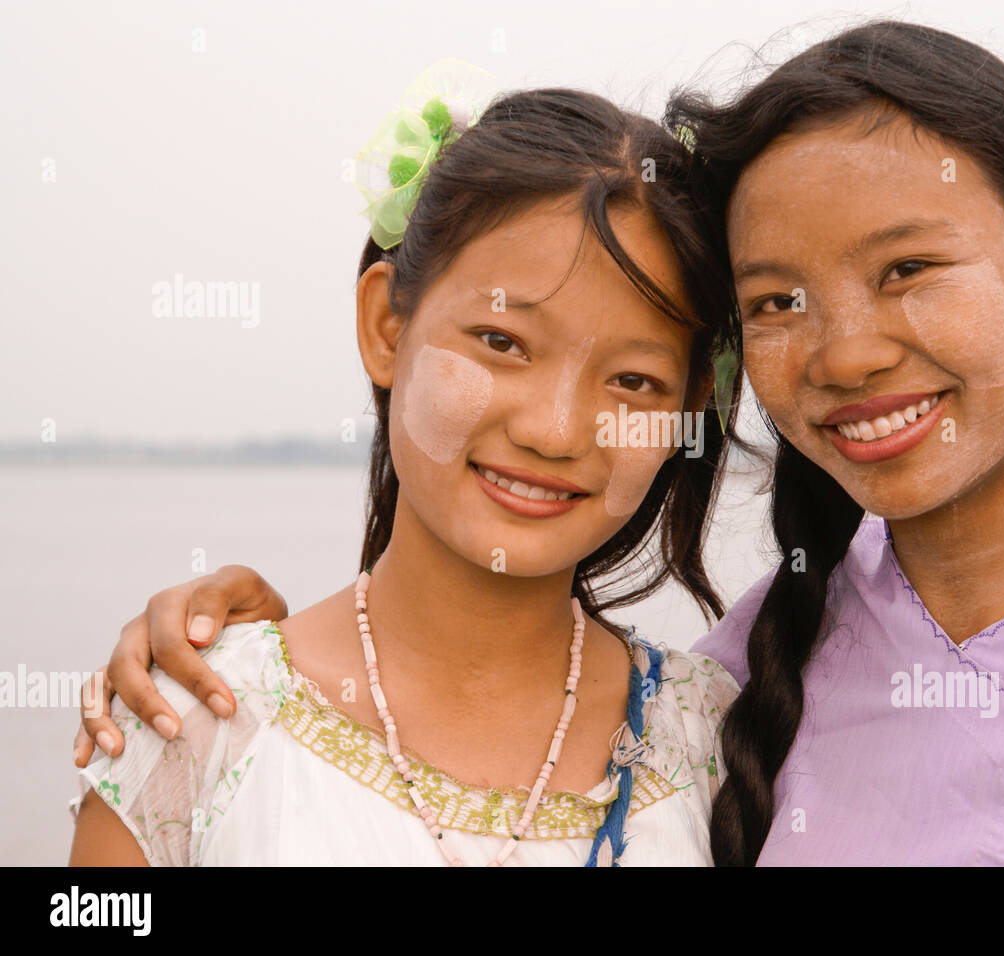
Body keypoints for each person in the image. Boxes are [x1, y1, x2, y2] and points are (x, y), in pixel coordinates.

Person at [76, 23, 1004, 867]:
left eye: (909, 267)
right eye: (775, 300)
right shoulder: (756, 690)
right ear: (384, 323)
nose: (851, 353)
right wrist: (236, 650)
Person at [68, 66, 741, 866]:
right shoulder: (193, 723)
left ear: (688, 409)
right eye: (502, 342)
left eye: (633, 381)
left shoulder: (718, 750)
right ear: (387, 325)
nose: (557, 431)